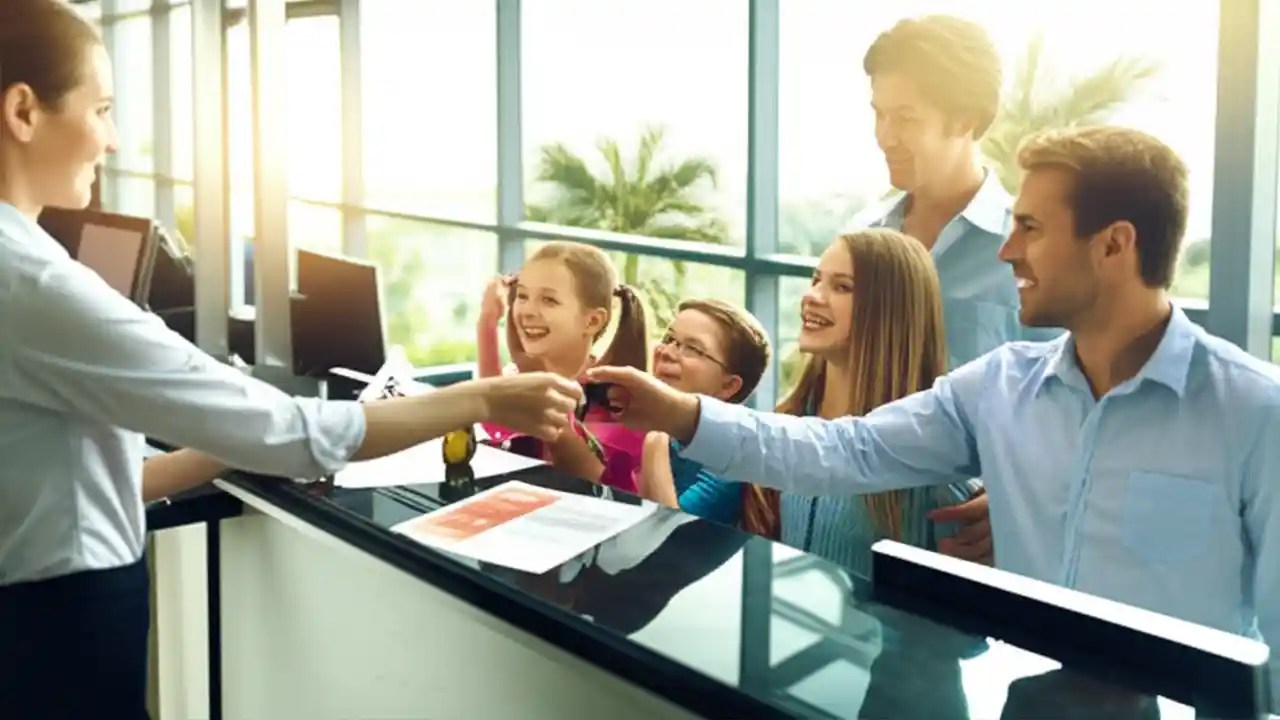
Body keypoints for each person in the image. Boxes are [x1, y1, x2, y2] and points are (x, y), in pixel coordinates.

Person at [0, 3, 580, 717]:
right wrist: (483, 398)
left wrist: (230, 441)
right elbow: (293, 432)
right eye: (102, 110)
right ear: (23, 111)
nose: (113, 140)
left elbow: (77, 483)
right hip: (57, 629)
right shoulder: (35, 286)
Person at [591, 125, 1280, 712]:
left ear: (1113, 245)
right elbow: (845, 450)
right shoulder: (999, 387)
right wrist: (679, 412)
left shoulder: (1256, 415)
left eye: (1031, 228)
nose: (1007, 251)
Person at [757, 230, 981, 576]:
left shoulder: (939, 477)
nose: (812, 296)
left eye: (841, 287)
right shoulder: (787, 425)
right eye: (816, 280)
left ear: (890, 311)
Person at [852, 14, 1058, 368]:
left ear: (966, 120)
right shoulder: (861, 236)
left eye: (905, 118)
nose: (884, 137)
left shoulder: (1035, 252)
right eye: (879, 114)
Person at [476, 241, 650, 491]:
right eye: (523, 296)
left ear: (592, 321)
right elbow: (493, 418)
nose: (527, 311)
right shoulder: (523, 376)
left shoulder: (614, 409)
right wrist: (488, 321)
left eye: (548, 300)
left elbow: (599, 487)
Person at [634, 298, 773, 531]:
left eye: (693, 349)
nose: (666, 353)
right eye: (669, 339)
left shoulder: (731, 461)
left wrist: (657, 433)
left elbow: (667, 534)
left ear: (728, 386)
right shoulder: (630, 417)